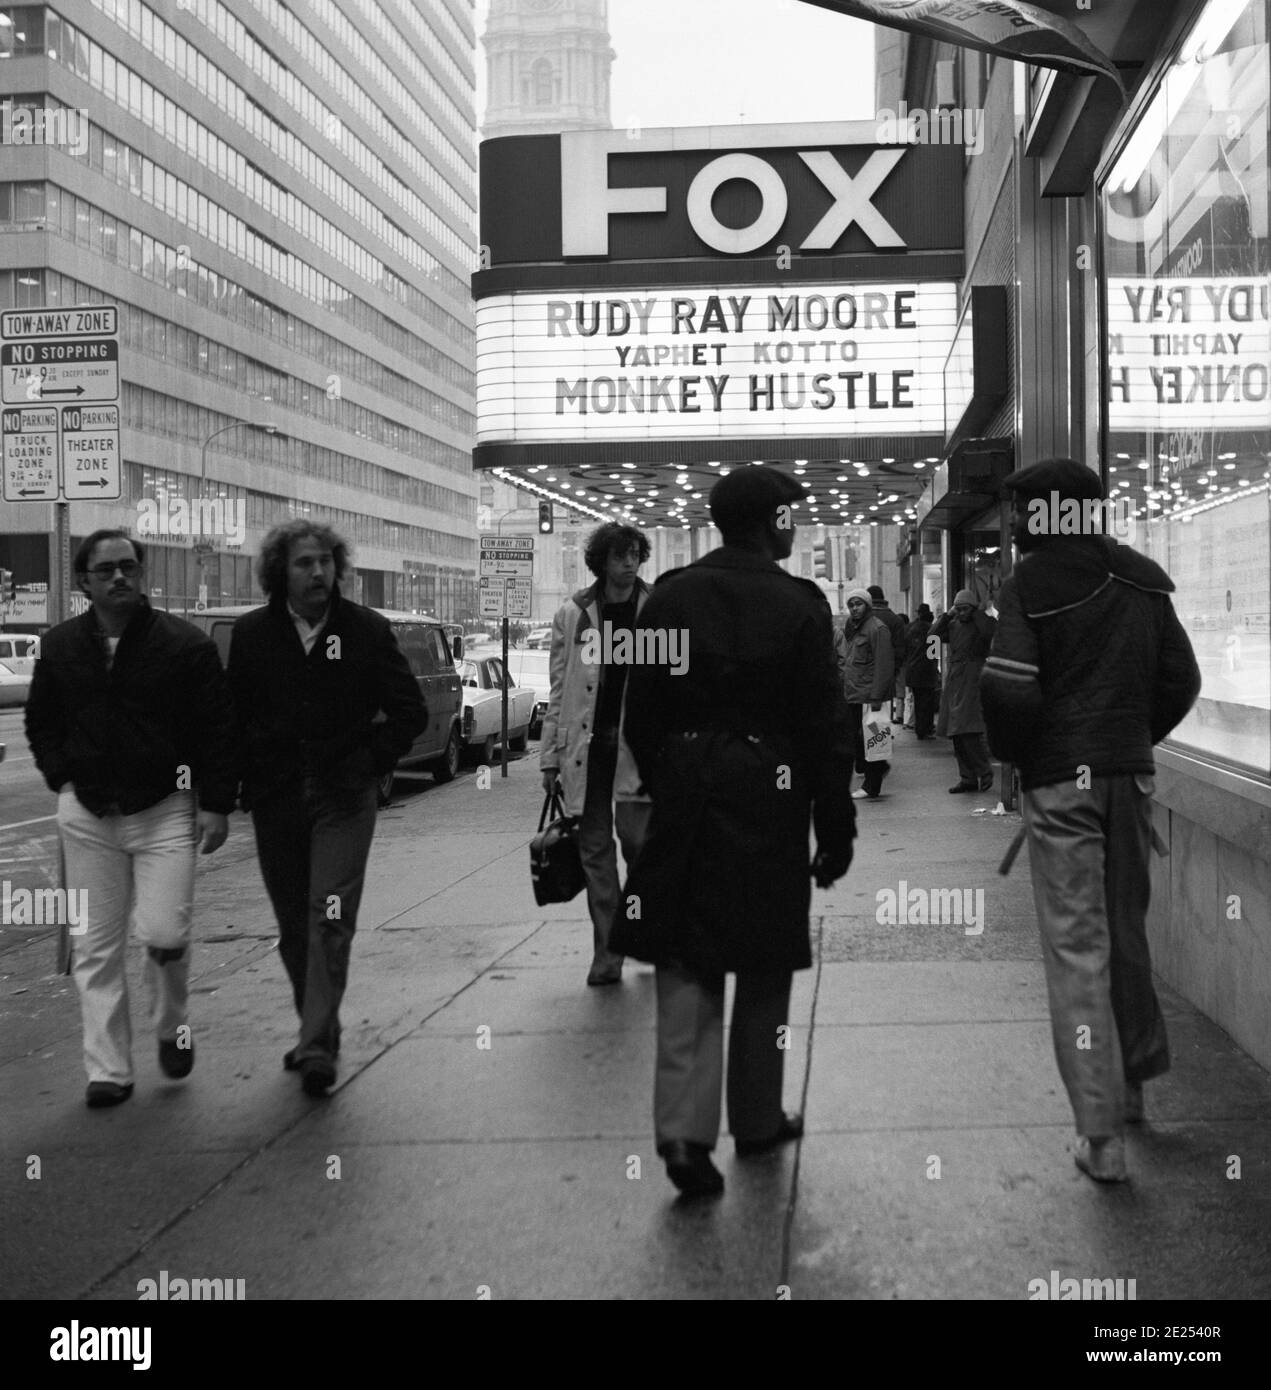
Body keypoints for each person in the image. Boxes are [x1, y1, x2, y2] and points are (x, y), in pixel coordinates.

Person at [611, 466, 856, 1198]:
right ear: (768, 521)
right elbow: (825, 729)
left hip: (688, 789)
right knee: (762, 960)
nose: (796, 527)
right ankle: (754, 1119)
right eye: (790, 516)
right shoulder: (801, 606)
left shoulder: (668, 600)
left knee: (684, 958)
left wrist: (673, 774)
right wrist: (833, 825)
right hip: (770, 793)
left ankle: (685, 1135)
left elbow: (640, 710)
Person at [980, 458, 1200, 1182]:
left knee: (1078, 948)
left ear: (1046, 513)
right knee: (1125, 936)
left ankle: (1099, 1136)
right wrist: (1130, 740)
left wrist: (1019, 764)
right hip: (1126, 776)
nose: (1011, 525)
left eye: (1018, 511)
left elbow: (1009, 690)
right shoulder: (1143, 578)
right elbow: (1181, 680)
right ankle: (1132, 1091)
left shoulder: (1028, 587)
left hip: (1059, 785)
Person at [25, 530, 235, 1108]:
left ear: (142, 575)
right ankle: (109, 1071)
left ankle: (172, 1025)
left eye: (128, 567)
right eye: (105, 570)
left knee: (165, 934)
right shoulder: (60, 645)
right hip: (87, 813)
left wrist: (215, 802)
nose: (119, 577)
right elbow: (41, 722)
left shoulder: (183, 645)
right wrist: (60, 775)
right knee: (94, 948)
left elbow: (216, 728)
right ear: (84, 582)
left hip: (164, 809)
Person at [226, 521, 426, 1096]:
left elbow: (408, 710)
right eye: (303, 563)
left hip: (344, 798)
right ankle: (320, 1025)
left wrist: (373, 759)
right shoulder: (253, 635)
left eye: (324, 562)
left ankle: (315, 1045)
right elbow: (234, 720)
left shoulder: (365, 631)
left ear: (338, 567)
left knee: (329, 917)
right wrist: (232, 790)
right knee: (294, 932)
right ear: (279, 573)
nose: (317, 572)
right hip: (278, 801)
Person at [540, 522, 653, 986]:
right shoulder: (575, 613)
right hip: (585, 752)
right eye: (620, 556)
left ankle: (645, 935)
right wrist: (549, 757)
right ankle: (607, 954)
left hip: (639, 751)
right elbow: (559, 685)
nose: (629, 563)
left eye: (634, 555)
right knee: (595, 856)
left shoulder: (660, 609)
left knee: (639, 849)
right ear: (601, 561)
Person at [932, 590, 997, 793]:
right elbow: (932, 637)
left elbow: (988, 632)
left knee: (966, 729)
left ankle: (982, 770)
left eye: (964, 609)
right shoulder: (954, 624)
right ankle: (967, 777)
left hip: (973, 677)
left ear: (973, 608)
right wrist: (948, 614)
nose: (961, 613)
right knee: (957, 732)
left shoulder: (982, 623)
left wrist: (975, 612)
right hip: (956, 679)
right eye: (958, 609)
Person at [835, 588, 892, 799]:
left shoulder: (877, 629)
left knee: (873, 740)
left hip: (869, 695)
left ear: (867, 605)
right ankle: (874, 775)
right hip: (855, 694)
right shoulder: (856, 628)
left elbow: (884, 664)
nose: (854, 608)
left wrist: (877, 696)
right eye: (851, 605)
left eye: (858, 604)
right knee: (862, 740)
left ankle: (872, 785)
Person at [866, 585, 907, 722]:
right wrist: (893, 670)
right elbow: (900, 650)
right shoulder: (895, 620)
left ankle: (863, 739)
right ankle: (879, 739)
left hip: (863, 673)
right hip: (887, 673)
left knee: (864, 713)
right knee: (882, 711)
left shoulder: (862, 618)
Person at [904, 603, 940, 738]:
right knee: (928, 702)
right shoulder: (933, 629)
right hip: (927, 671)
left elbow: (906, 649)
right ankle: (926, 729)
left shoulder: (910, 629)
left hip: (913, 671)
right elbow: (935, 654)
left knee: (918, 701)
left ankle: (919, 729)